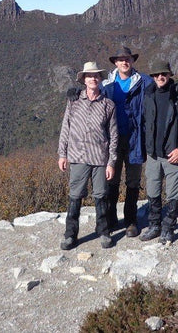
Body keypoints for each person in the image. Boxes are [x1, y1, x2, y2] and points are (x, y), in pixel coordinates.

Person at [57, 61, 118, 250]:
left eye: (96, 75)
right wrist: (62, 153)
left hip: (100, 158)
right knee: (75, 196)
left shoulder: (108, 105)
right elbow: (65, 127)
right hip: (77, 156)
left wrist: (111, 162)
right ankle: (70, 235)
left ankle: (104, 232)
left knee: (101, 195)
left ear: (100, 79)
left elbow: (114, 134)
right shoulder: (74, 101)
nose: (93, 78)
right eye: (89, 76)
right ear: (83, 79)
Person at [139, 60, 178, 245]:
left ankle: (168, 228)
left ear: (169, 74)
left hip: (172, 155)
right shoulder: (148, 94)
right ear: (153, 77)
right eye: (156, 75)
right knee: (153, 191)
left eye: (163, 74)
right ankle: (155, 225)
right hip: (153, 155)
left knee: (173, 194)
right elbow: (143, 123)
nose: (160, 77)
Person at [101, 46, 153, 238]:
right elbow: (91, 94)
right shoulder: (107, 84)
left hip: (135, 139)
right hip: (112, 140)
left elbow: (162, 87)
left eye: (128, 59)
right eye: (121, 59)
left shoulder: (144, 82)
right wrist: (75, 93)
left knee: (133, 181)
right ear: (115, 62)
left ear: (132, 61)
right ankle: (111, 218)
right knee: (111, 180)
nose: (125, 62)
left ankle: (131, 221)